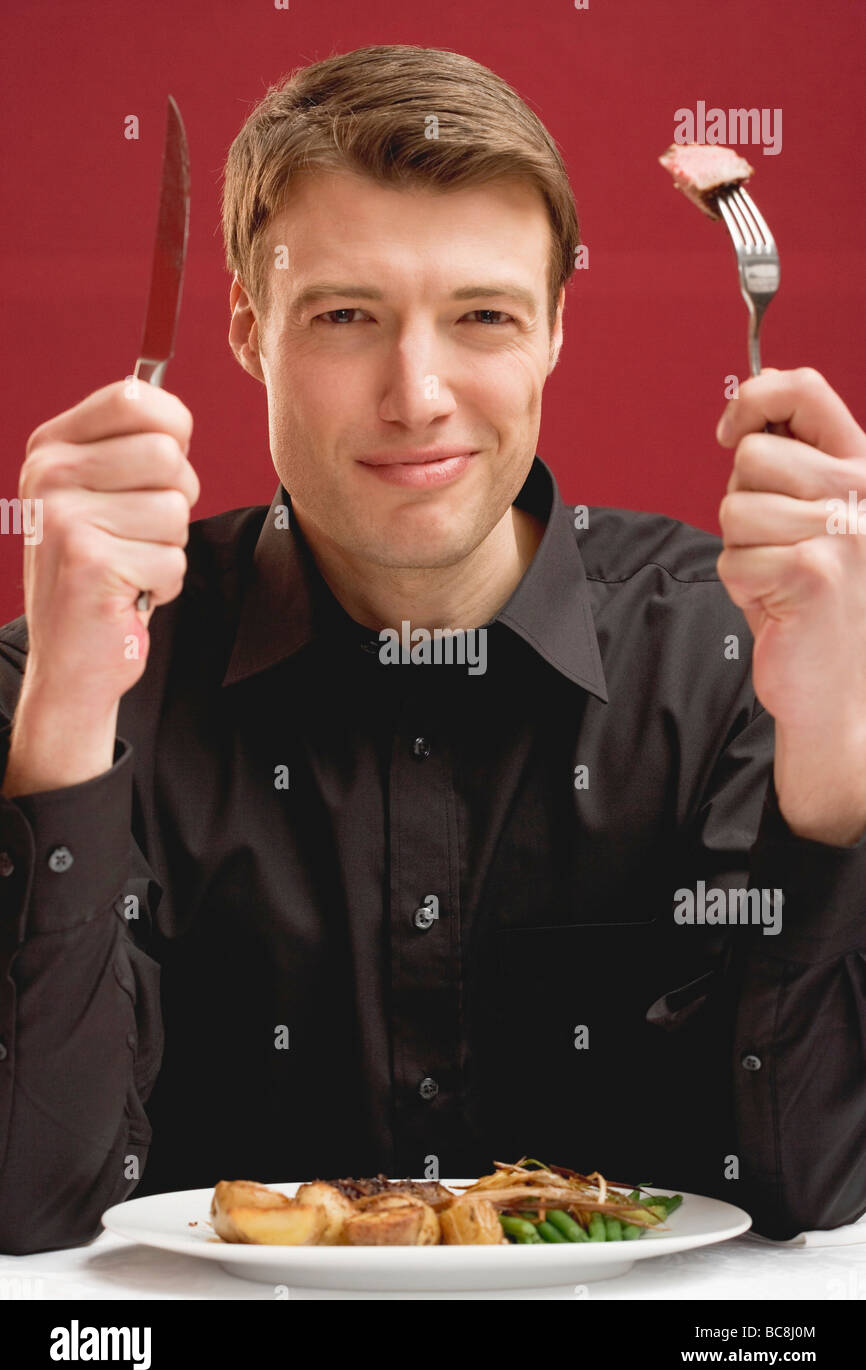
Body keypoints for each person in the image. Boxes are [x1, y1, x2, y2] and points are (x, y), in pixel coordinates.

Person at [1, 43, 865, 1256]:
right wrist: (66, 729)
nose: (417, 394)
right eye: (347, 315)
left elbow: (805, 1186)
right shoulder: (69, 685)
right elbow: (31, 1204)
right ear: (249, 329)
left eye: (481, 317)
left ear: (555, 329)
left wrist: (830, 746)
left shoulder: (739, 655)